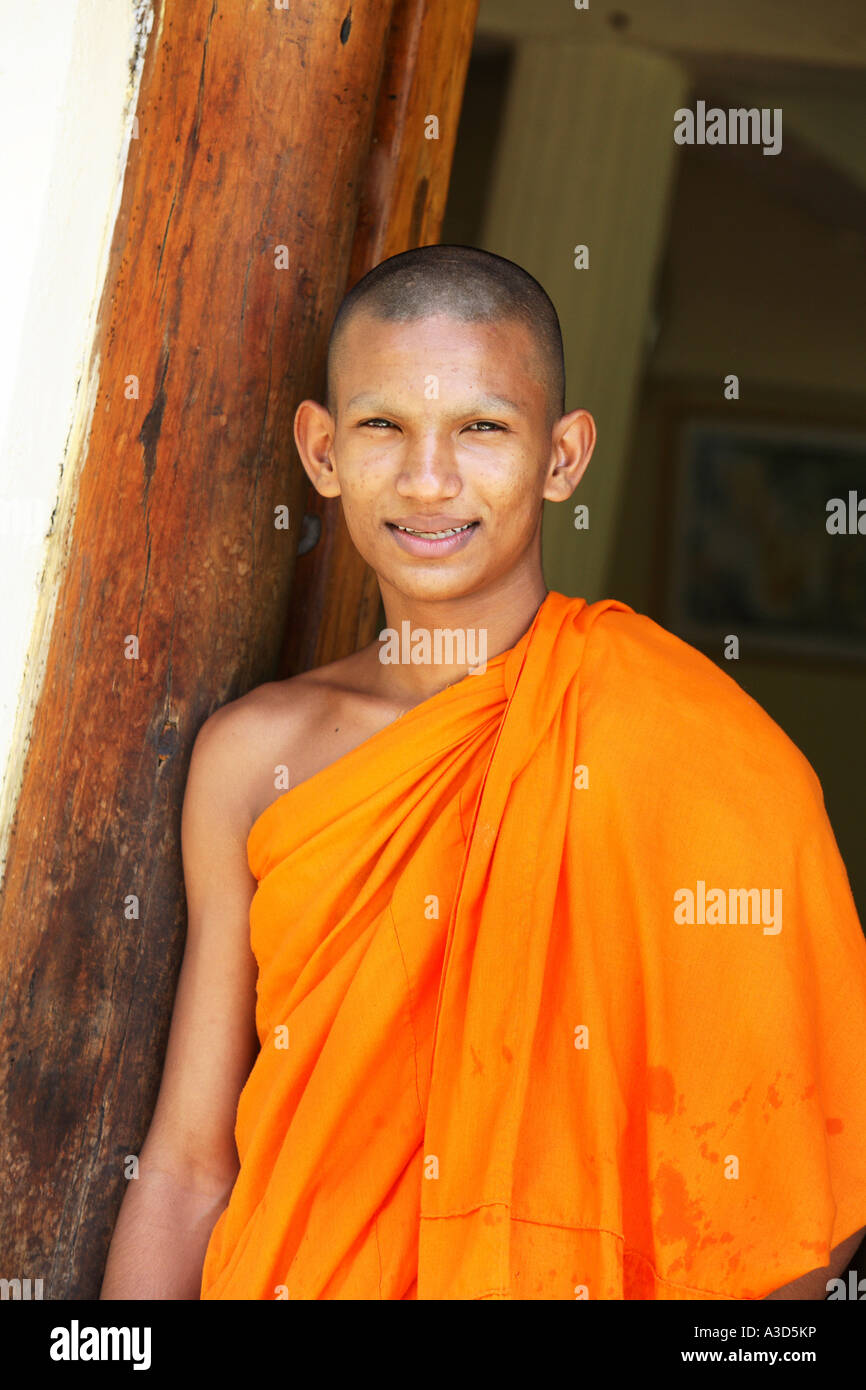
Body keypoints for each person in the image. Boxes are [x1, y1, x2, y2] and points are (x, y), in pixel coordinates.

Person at [100, 245, 866, 1300]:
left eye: (481, 428)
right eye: (381, 426)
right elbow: (188, 1166)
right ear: (320, 450)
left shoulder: (702, 752)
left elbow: (783, 1210)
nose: (427, 478)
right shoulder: (254, 756)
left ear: (560, 458)